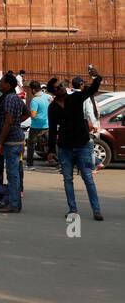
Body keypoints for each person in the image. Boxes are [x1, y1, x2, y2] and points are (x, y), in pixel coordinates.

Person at [47, 69, 104, 221]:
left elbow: (93, 89)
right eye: (58, 87)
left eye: (61, 85)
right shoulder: (52, 108)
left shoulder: (76, 97)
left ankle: (96, 210)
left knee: (88, 178)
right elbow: (52, 130)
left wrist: (96, 76)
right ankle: (72, 209)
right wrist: (51, 150)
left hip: (82, 144)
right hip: (65, 147)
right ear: (53, 92)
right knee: (67, 179)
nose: (61, 87)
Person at [0, 73, 30, 214]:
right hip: (17, 138)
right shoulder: (15, 97)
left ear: (8, 85)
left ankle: (14, 204)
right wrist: (16, 123)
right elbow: (26, 113)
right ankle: (15, 203)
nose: (0, 84)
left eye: (1, 82)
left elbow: (8, 121)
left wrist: (0, 142)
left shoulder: (8, 99)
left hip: (11, 141)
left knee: (12, 173)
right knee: (14, 172)